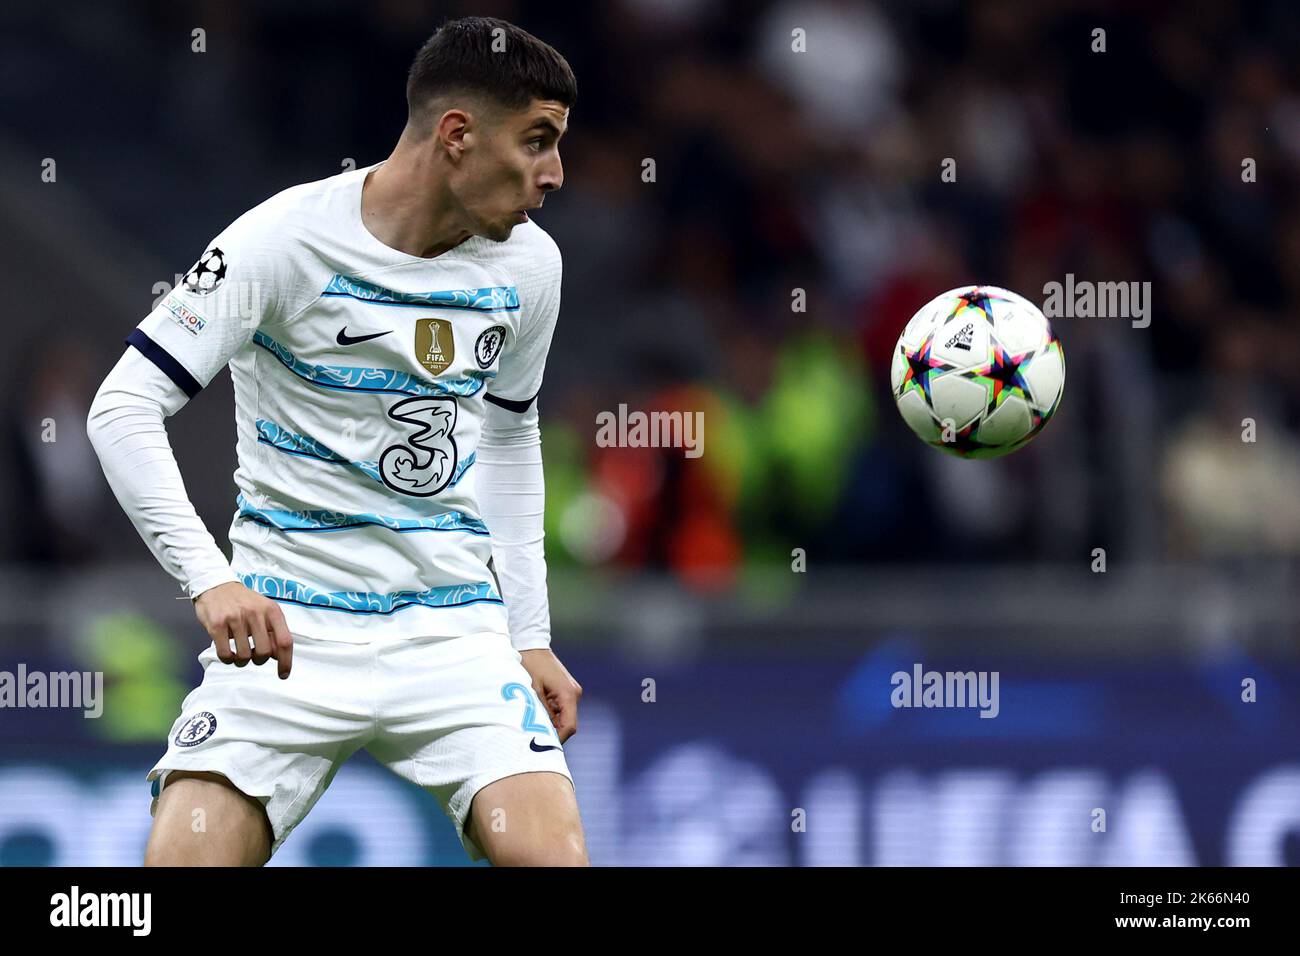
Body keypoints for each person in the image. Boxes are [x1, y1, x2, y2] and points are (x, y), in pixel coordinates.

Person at [86, 16, 588, 866]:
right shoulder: (282, 243)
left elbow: (509, 438)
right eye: (537, 141)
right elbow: (121, 405)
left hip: (451, 630)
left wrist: (527, 630)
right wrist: (211, 582)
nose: (555, 174)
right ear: (458, 135)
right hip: (289, 629)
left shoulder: (530, 267)